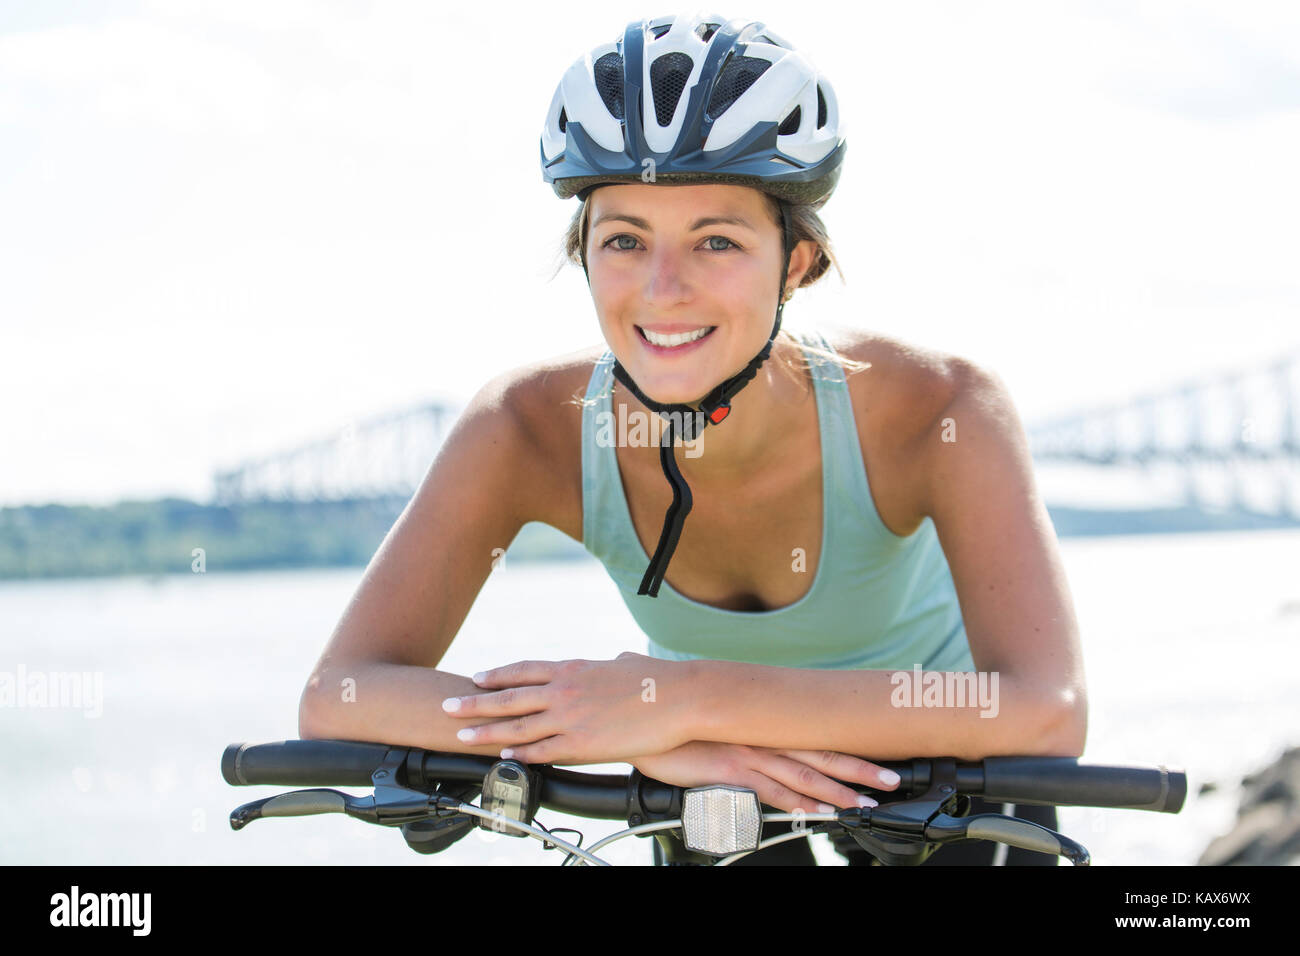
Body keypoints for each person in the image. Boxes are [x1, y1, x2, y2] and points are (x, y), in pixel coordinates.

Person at [298, 13, 1087, 866]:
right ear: (584, 254)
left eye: (717, 241)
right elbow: (340, 696)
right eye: (625, 241)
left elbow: (1047, 706)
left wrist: (682, 694)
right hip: (713, 776)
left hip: (948, 785)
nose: (664, 289)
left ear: (797, 265)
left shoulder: (941, 406)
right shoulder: (527, 428)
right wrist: (627, 731)